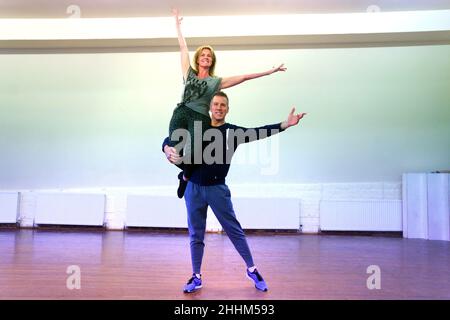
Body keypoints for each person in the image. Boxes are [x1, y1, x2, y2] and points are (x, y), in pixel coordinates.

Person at [163, 91, 306, 293]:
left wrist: (285, 124)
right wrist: (166, 147)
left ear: (227, 109)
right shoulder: (198, 126)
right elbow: (171, 137)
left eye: (223, 105)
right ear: (209, 108)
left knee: (234, 230)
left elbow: (260, 131)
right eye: (216, 104)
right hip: (193, 189)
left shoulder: (232, 133)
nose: (219, 108)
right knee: (196, 233)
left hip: (217, 190)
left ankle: (252, 269)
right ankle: (196, 276)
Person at [168, 8, 287, 198]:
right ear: (198, 59)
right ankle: (185, 174)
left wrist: (268, 72)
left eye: (209, 56)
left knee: (192, 152)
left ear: (211, 61)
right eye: (203, 55)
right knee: (174, 148)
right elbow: (183, 48)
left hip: (198, 117)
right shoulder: (188, 73)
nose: (206, 57)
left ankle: (185, 178)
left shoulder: (216, 82)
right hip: (181, 111)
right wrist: (177, 25)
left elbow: (244, 77)